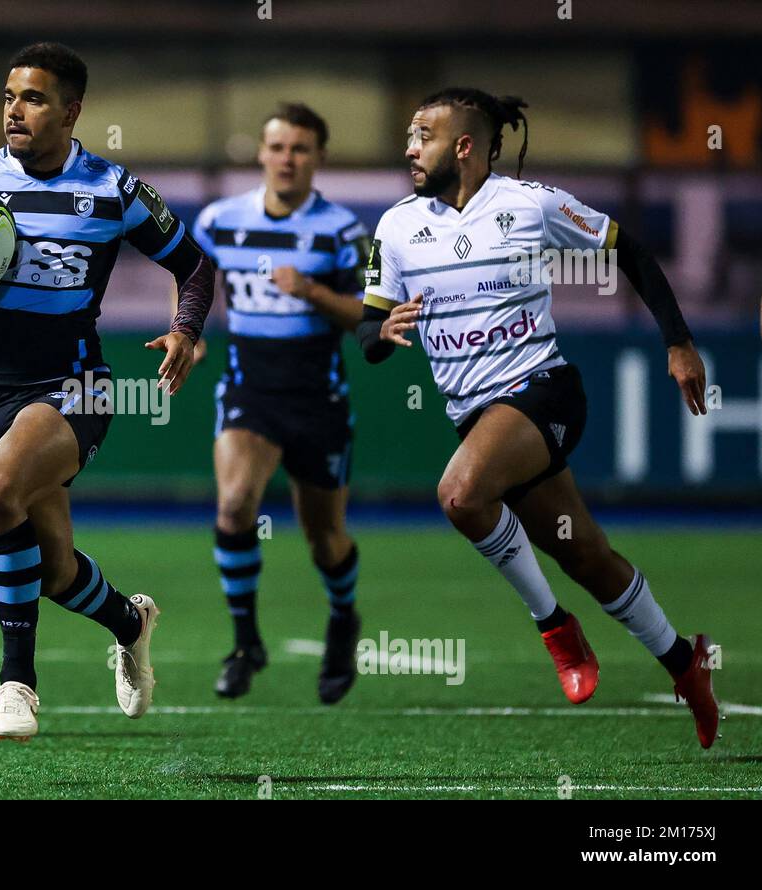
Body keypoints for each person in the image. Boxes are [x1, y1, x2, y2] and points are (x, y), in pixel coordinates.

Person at [356, 87, 720, 748]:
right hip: (478, 419)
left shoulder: (530, 205)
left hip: (543, 392)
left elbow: (630, 250)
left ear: (463, 146)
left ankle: (552, 626)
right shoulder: (396, 227)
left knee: (460, 495)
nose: (409, 148)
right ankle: (682, 662)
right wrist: (382, 335)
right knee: (585, 555)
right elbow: (368, 335)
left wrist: (678, 342)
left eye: (422, 135)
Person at [0, 43, 214, 742]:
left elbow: (193, 265)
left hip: (79, 386)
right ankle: (130, 621)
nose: (15, 110)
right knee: (56, 570)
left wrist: (186, 328)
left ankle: (18, 685)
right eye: (9, 96)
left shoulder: (112, 189)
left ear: (71, 111)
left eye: (33, 98)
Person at [191, 103, 369, 703]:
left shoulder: (343, 230)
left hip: (318, 400)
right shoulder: (219, 220)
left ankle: (344, 621)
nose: (286, 159)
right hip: (250, 393)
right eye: (277, 147)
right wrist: (185, 332)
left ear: (319, 157)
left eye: (299, 148)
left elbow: (366, 317)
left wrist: (312, 290)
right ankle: (245, 642)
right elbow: (191, 274)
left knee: (325, 539)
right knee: (236, 504)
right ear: (261, 153)